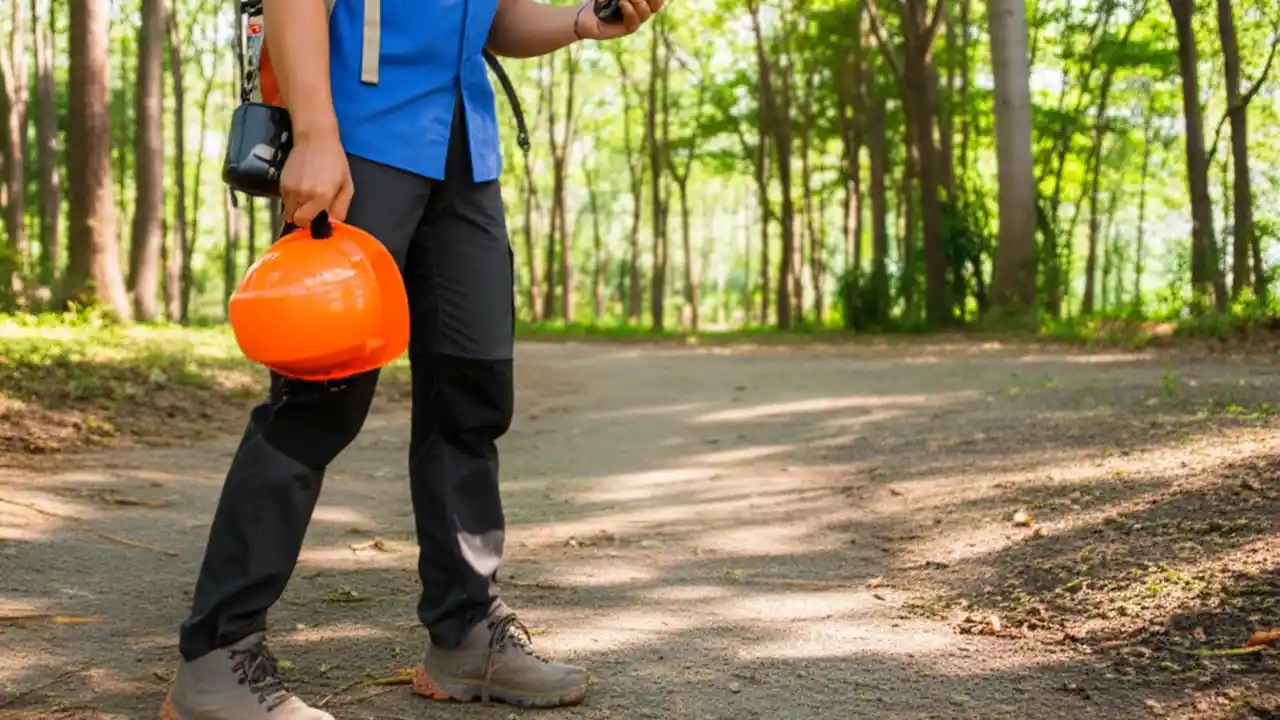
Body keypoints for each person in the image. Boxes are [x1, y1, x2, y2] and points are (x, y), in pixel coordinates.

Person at [159, 1, 663, 717]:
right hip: (359, 144)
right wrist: (314, 133)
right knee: (318, 395)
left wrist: (583, 20)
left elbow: (492, 17)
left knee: (472, 395)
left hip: (465, 151)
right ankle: (217, 656)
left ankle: (465, 633)